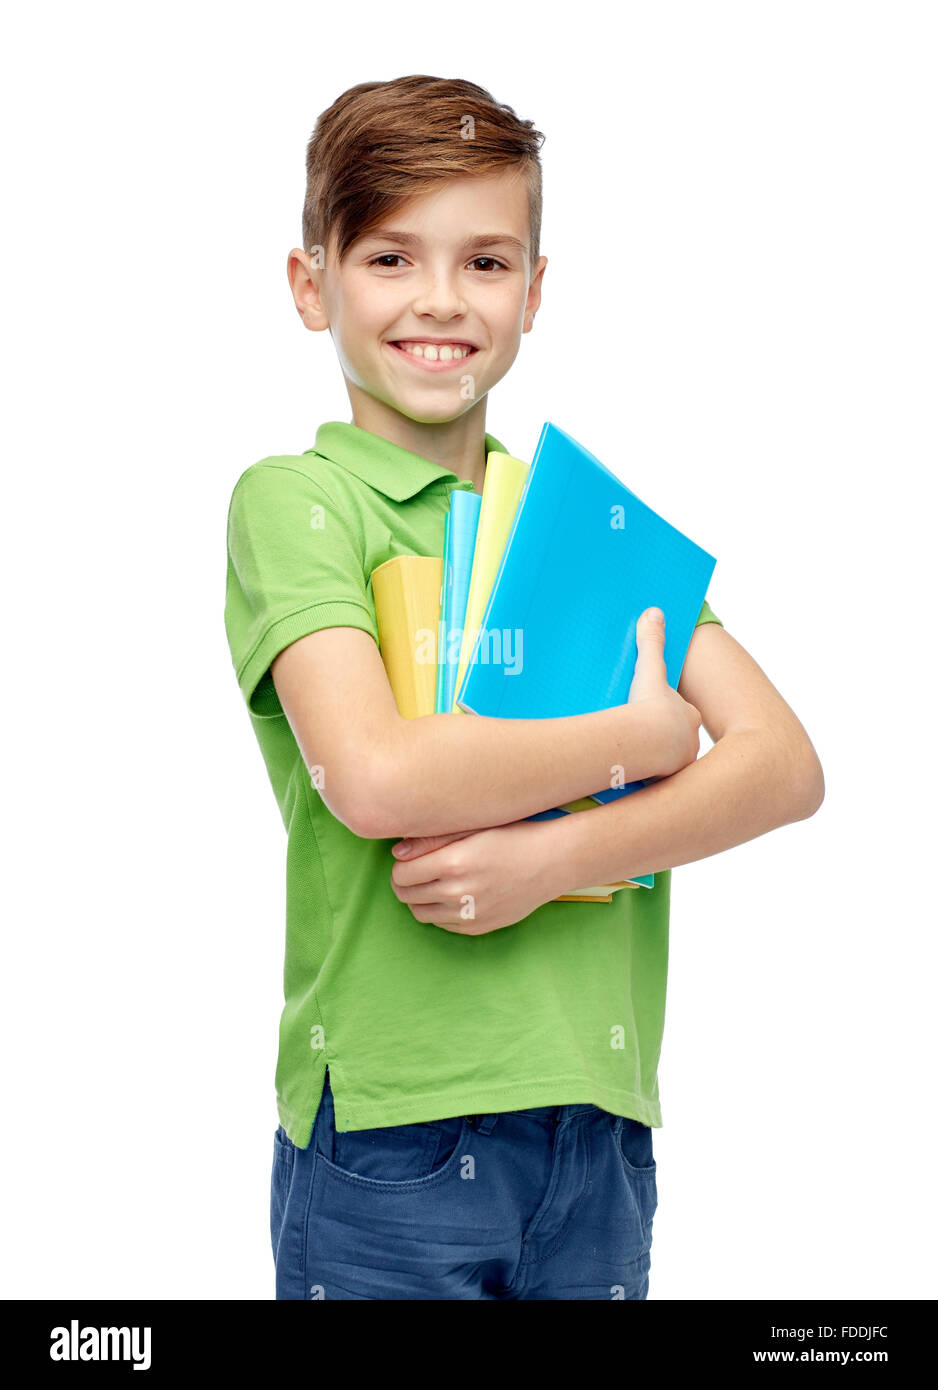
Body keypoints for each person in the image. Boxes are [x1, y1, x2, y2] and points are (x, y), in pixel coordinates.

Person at [224, 74, 824, 1301]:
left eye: (485, 262)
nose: (440, 300)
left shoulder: (580, 523)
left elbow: (782, 763)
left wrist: (551, 859)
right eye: (390, 257)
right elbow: (375, 774)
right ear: (311, 284)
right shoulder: (299, 503)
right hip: (390, 1130)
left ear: (534, 293)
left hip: (595, 1137)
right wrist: (633, 737)